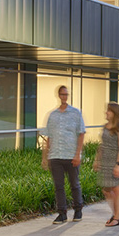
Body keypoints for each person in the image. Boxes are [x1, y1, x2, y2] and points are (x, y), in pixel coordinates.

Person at [42, 85, 85, 223]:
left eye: (66, 94)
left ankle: (78, 210)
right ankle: (62, 213)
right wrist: (45, 157)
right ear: (58, 95)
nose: (64, 97)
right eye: (62, 94)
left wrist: (78, 154)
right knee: (58, 186)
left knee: (74, 184)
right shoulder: (52, 115)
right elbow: (49, 137)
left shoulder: (76, 113)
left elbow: (81, 134)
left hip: (71, 155)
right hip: (55, 155)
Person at [96, 101, 119, 227]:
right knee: (106, 190)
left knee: (117, 189)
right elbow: (102, 145)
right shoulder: (105, 127)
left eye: (108, 110)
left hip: (115, 162)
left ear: (114, 113)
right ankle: (115, 214)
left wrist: (118, 165)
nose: (106, 112)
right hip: (105, 162)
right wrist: (97, 160)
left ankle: (117, 217)